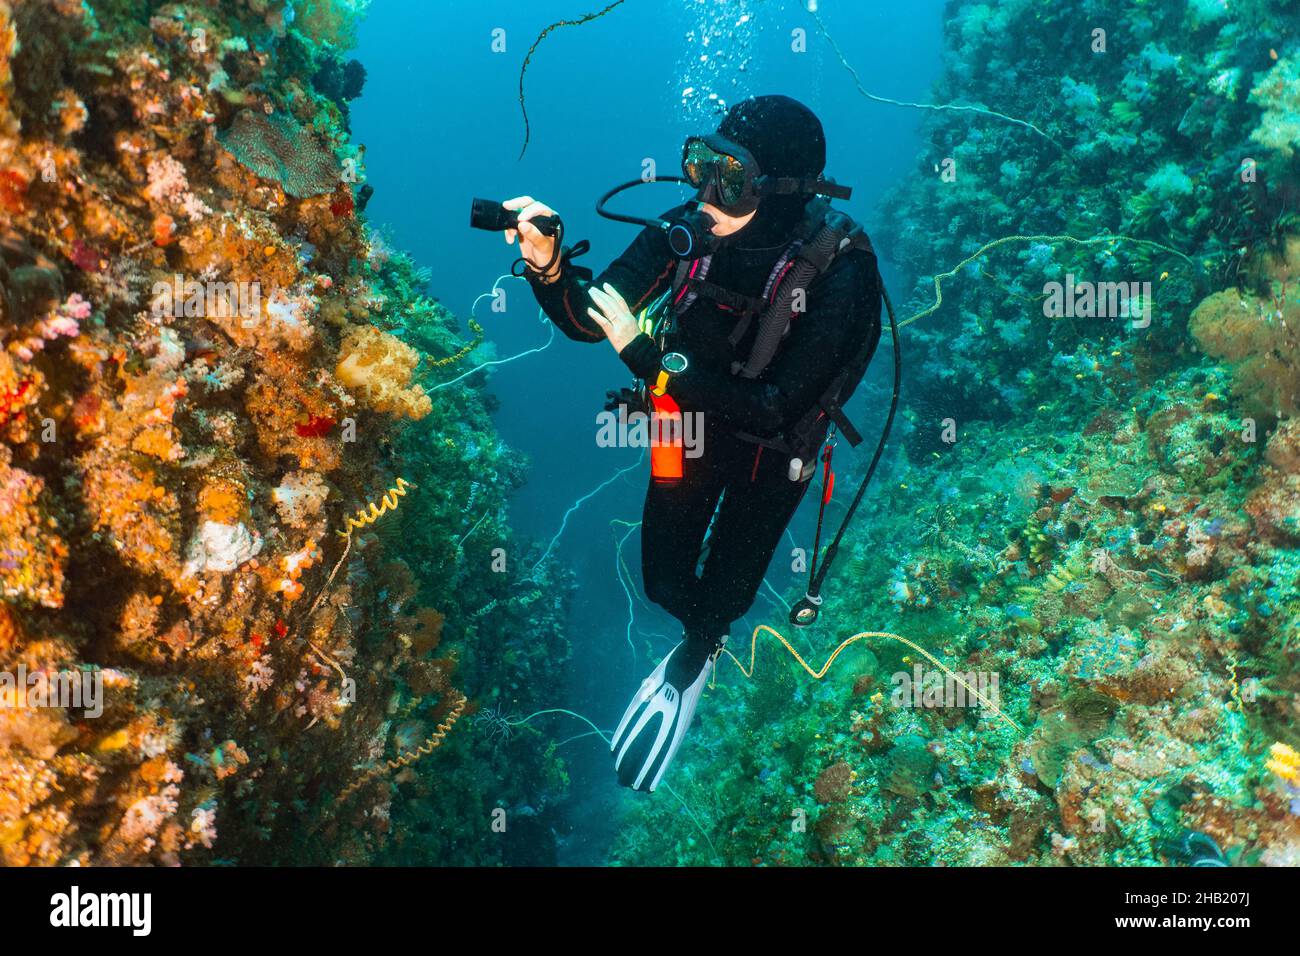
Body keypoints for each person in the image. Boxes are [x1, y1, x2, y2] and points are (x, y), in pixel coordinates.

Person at [504, 94, 882, 792]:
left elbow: (777, 407)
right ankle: (698, 634)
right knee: (663, 582)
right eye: (700, 166)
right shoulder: (689, 230)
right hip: (689, 425)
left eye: (729, 177)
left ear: (780, 190)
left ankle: (703, 647)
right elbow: (596, 319)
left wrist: (651, 363)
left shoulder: (843, 271)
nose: (705, 193)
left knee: (726, 595)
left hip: (775, 451)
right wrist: (548, 267)